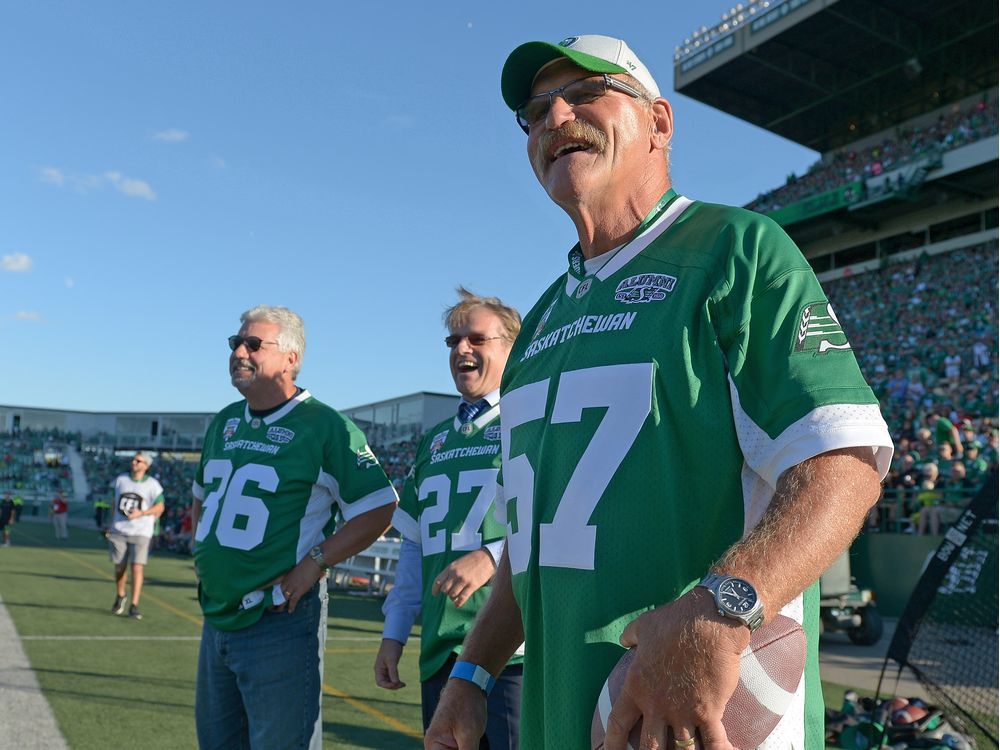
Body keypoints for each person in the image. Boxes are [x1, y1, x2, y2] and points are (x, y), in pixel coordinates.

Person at [425, 35, 893, 750]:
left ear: (660, 123)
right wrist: (472, 674)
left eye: (585, 95)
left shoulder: (735, 249)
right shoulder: (544, 316)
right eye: (536, 111)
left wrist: (722, 607)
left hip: (695, 720)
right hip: (560, 721)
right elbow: (537, 537)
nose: (556, 117)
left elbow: (844, 461)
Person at [192, 305, 397, 750]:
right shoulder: (225, 420)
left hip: (277, 619)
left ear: (291, 358)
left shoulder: (324, 426)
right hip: (217, 616)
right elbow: (200, 497)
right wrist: (202, 555)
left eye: (253, 344)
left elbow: (380, 506)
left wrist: (314, 564)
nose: (239, 351)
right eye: (235, 342)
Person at [375, 288, 524, 748]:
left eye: (477, 338)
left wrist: (494, 556)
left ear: (512, 348)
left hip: (513, 649)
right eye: (453, 340)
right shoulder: (435, 439)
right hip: (441, 648)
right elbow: (415, 546)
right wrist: (395, 631)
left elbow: (566, 518)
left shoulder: (534, 420)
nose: (462, 348)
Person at [108, 451, 165, 619]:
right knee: (119, 567)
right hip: (119, 529)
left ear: (146, 465)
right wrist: (109, 524)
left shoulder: (153, 485)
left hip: (141, 530)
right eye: (134, 459)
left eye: (139, 460)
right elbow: (114, 503)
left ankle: (134, 604)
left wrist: (142, 513)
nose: (134, 462)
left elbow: (160, 507)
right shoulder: (121, 480)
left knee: (137, 567)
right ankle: (120, 595)